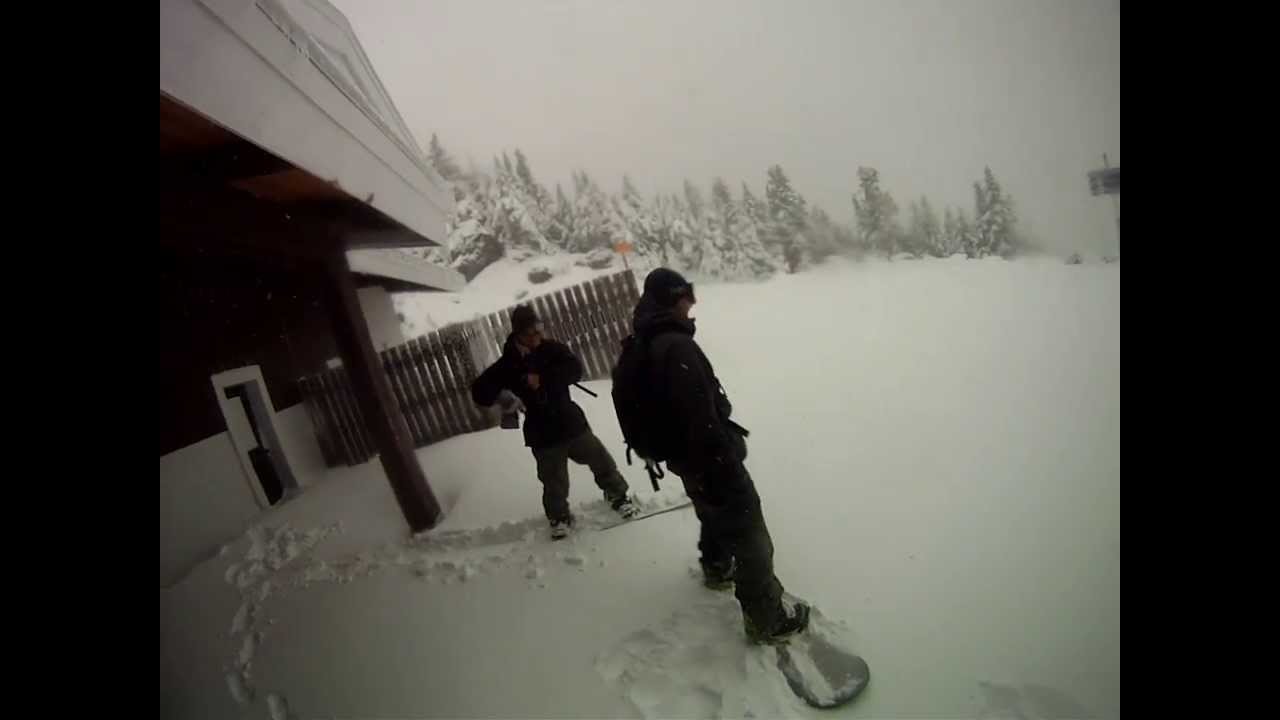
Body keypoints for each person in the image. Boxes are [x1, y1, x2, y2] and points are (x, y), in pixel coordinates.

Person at [630, 268, 809, 644]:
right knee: (751, 535)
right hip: (707, 459)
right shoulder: (675, 347)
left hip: (683, 459)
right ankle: (765, 618)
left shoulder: (646, 340)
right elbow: (701, 419)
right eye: (686, 295)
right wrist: (725, 462)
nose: (693, 302)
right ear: (671, 298)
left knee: (710, 510)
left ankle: (715, 566)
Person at [472, 304, 640, 539]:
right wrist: (504, 395)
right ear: (518, 334)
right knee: (554, 482)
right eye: (530, 332)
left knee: (602, 461)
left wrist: (544, 378)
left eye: (539, 329)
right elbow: (479, 391)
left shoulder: (553, 349)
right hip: (542, 432)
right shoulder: (508, 363)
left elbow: (575, 369)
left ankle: (618, 497)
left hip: (570, 421)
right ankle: (559, 518)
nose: (537, 336)